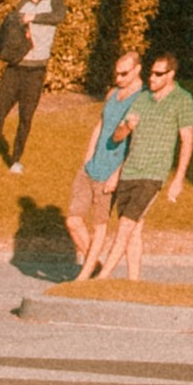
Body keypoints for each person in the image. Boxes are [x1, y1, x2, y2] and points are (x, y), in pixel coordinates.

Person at [104, 48, 193, 279]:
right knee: (134, 230)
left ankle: (101, 278)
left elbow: (187, 139)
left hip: (153, 174)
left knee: (125, 226)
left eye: (158, 74)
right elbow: (117, 137)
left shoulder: (182, 100)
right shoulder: (143, 98)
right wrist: (127, 127)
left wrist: (179, 179)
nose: (152, 78)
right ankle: (134, 282)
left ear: (170, 75)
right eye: (151, 74)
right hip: (131, 170)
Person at [0, 0, 60, 175]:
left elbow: (58, 16)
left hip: (35, 71)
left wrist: (32, 18)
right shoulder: (23, 4)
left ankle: (16, 160)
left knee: (25, 117)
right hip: (16, 67)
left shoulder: (54, 2)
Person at [67, 74, 142, 280]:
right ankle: (97, 267)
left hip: (110, 172)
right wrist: (87, 158)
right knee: (73, 221)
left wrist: (117, 174)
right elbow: (99, 126)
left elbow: (135, 143)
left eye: (124, 74)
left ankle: (86, 274)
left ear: (137, 69)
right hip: (91, 168)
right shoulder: (113, 94)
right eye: (116, 73)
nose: (118, 77)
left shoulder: (140, 99)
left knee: (100, 226)